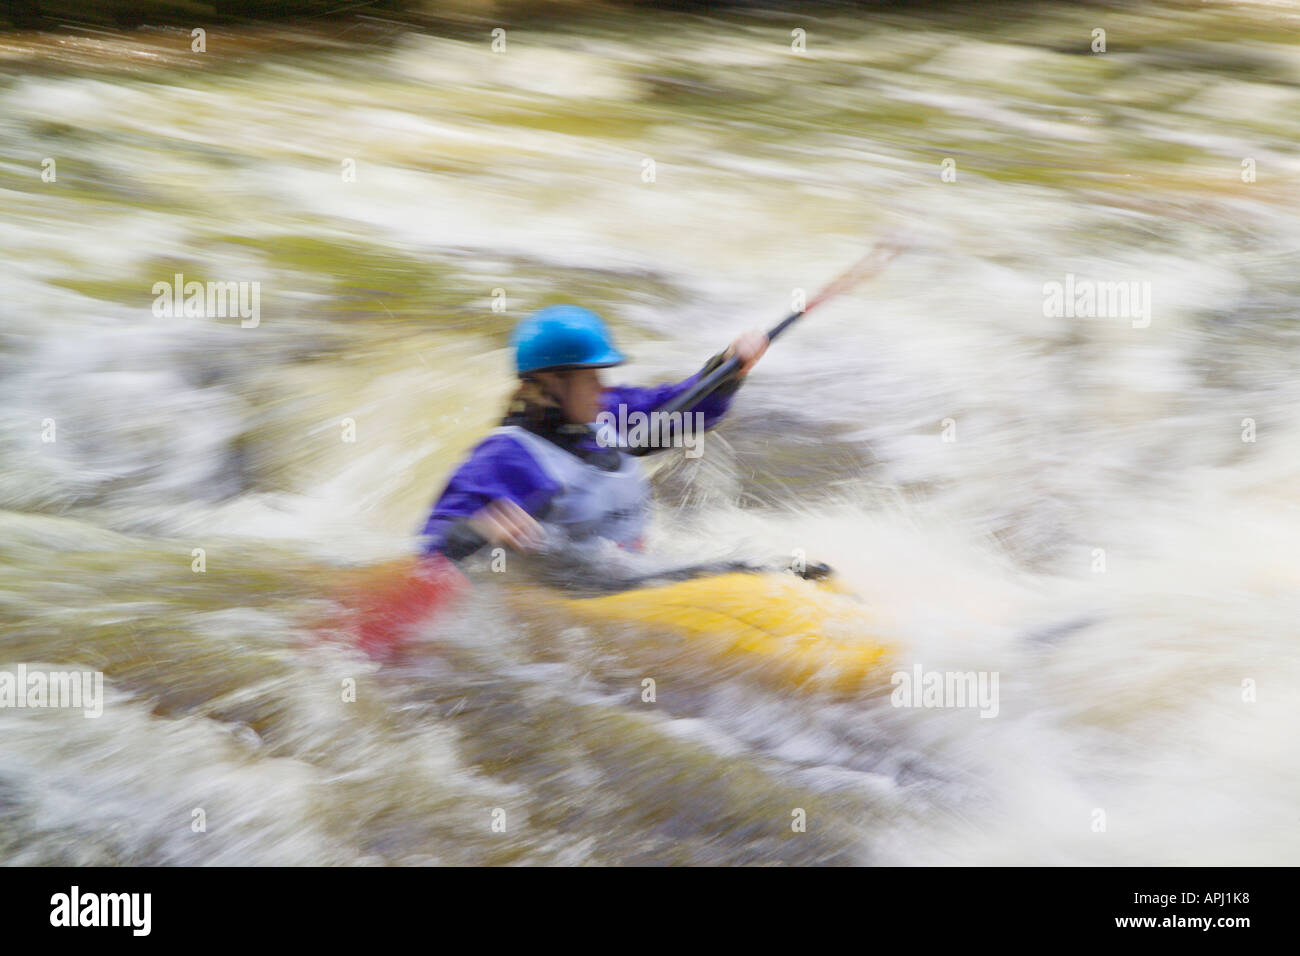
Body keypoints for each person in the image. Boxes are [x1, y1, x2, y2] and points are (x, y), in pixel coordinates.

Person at [419, 305, 768, 565]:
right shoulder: (507, 458)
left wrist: (730, 367)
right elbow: (430, 550)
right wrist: (479, 531)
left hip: (640, 573)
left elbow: (688, 410)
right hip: (576, 600)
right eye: (590, 377)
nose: (602, 386)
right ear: (552, 383)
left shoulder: (608, 414)